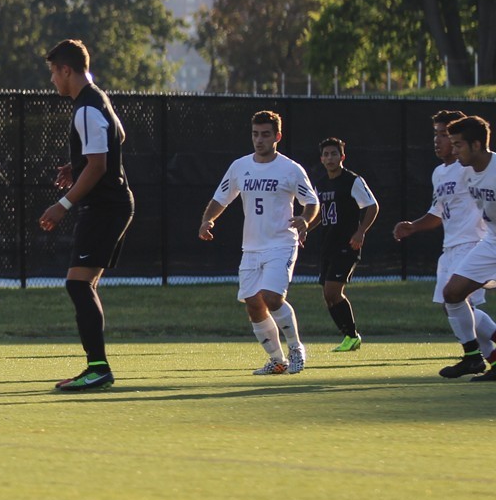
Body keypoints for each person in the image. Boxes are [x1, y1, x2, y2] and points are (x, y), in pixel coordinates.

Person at [36, 39, 134, 392]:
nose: (52, 80)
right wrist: (76, 164)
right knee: (83, 285)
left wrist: (61, 205)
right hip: (111, 204)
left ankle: (98, 369)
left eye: (53, 72)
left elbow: (98, 166)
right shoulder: (98, 98)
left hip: (105, 207)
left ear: (66, 70)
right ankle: (97, 367)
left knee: (78, 284)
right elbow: (118, 136)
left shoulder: (86, 109)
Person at [199, 110, 320, 375]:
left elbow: (311, 202)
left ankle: (296, 348)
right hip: (251, 247)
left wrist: (305, 219)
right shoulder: (240, 166)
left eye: (265, 134)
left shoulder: (290, 169)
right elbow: (221, 198)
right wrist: (207, 220)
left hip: (281, 243)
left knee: (272, 297)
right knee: (254, 304)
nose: (259, 140)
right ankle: (277, 360)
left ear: (277, 137)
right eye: (255, 134)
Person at [393, 110, 496, 377]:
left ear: (475, 144)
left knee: (459, 303)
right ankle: (477, 358)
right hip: (482, 243)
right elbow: (438, 212)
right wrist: (414, 226)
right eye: (438, 135)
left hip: (472, 242)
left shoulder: (476, 168)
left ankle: (480, 357)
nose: (442, 142)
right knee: (452, 297)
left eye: (451, 139)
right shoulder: (448, 172)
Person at [430, 115, 496, 382]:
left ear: (477, 145)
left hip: (480, 241)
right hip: (491, 242)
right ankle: (472, 356)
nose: (454, 150)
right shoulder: (464, 170)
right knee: (452, 294)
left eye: (458, 145)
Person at [312, 137, 379, 351]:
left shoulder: (352, 180)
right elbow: (319, 214)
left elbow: (372, 206)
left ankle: (352, 336)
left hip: (347, 244)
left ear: (342, 156)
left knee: (333, 291)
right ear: (321, 159)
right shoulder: (320, 183)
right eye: (326, 154)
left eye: (334, 153)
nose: (330, 158)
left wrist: (360, 232)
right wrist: (304, 229)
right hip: (328, 245)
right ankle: (349, 336)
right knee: (328, 296)